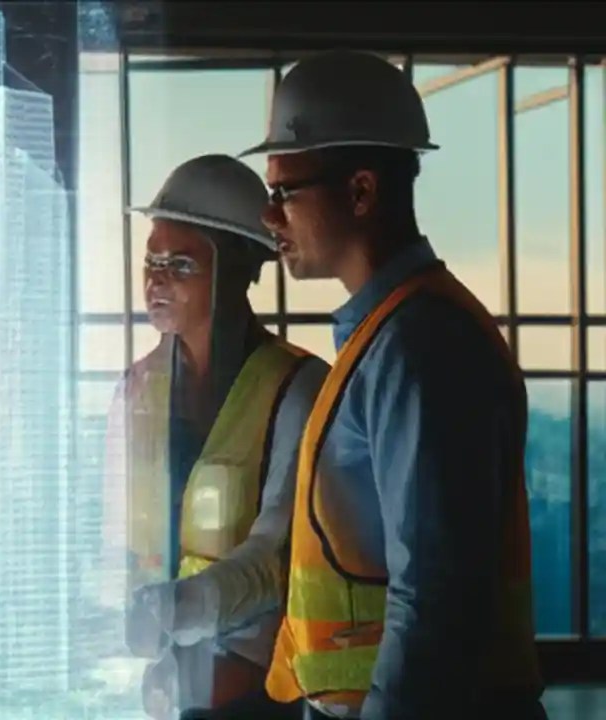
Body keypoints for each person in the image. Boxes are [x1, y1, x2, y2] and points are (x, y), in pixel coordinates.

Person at [238, 50, 545, 719]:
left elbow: (436, 599)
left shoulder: (420, 345)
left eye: (284, 192)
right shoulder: (387, 334)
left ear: (361, 192)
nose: (269, 218)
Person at [100, 155, 327, 720]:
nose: (156, 280)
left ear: (242, 269)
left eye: (181, 265)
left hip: (256, 687)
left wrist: (179, 609)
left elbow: (279, 556)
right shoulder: (135, 390)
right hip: (148, 680)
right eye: (151, 261)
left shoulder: (296, 387)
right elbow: (112, 538)